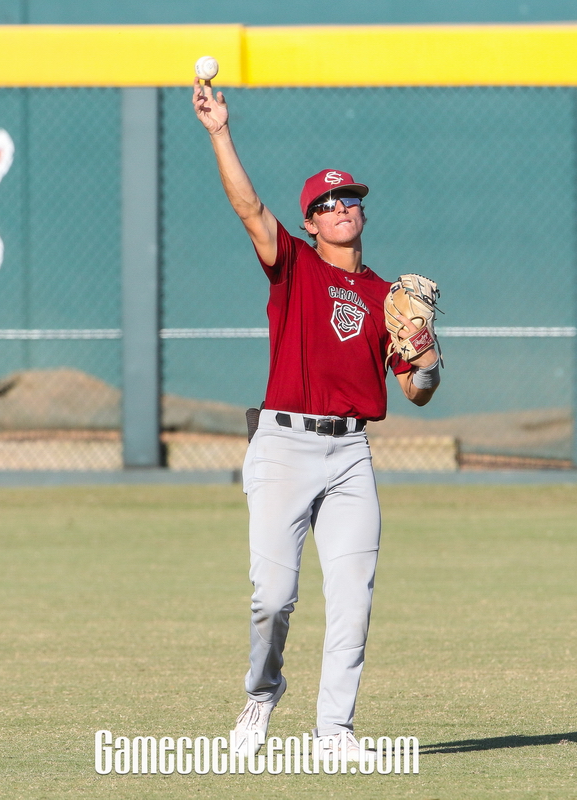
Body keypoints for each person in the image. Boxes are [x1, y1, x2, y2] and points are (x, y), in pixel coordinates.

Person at [192, 77, 442, 764]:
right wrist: (219, 131)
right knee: (273, 597)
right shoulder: (293, 265)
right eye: (328, 203)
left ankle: (334, 734)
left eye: (350, 199)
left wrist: (424, 359)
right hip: (282, 445)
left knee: (353, 601)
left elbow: (417, 390)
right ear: (310, 221)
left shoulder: (385, 295)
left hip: (350, 454)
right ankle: (260, 694)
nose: (342, 208)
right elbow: (248, 208)